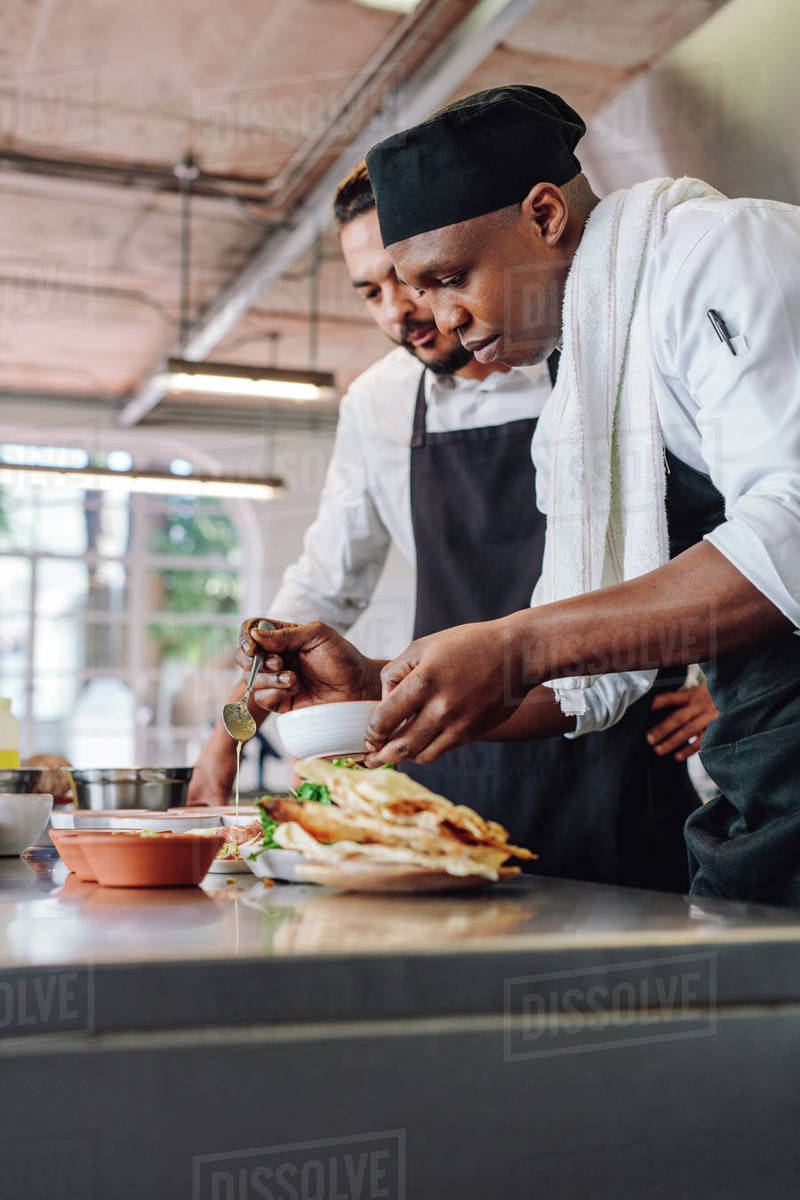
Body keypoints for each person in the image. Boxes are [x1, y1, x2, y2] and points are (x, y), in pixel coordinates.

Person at [254, 83, 795, 907]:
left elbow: (791, 529)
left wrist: (513, 645)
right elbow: (586, 680)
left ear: (544, 214)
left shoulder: (720, 252)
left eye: (449, 277)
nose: (441, 319)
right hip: (763, 782)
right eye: (418, 292)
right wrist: (381, 687)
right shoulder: (582, 397)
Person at [194, 159, 716, 890]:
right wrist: (229, 727)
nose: (397, 313)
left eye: (409, 279)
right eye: (370, 292)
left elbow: (749, 526)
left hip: (620, 758)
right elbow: (325, 581)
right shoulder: (377, 404)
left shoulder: (602, 368)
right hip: (444, 759)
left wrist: (728, 682)